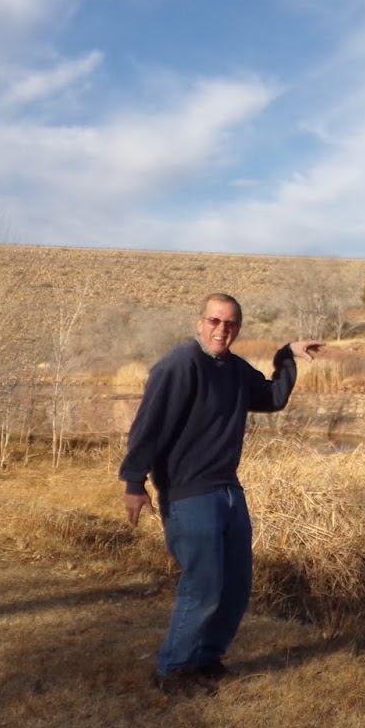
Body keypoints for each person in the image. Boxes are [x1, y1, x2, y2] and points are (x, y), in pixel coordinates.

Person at [119, 293, 323, 694]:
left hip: (228, 491)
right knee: (204, 583)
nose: (221, 329)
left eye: (229, 324)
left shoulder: (232, 369)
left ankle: (206, 658)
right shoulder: (179, 365)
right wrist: (133, 481)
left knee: (235, 583)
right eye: (214, 321)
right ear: (200, 323)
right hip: (189, 493)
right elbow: (149, 425)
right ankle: (172, 670)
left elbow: (271, 398)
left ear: (237, 329)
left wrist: (286, 356)